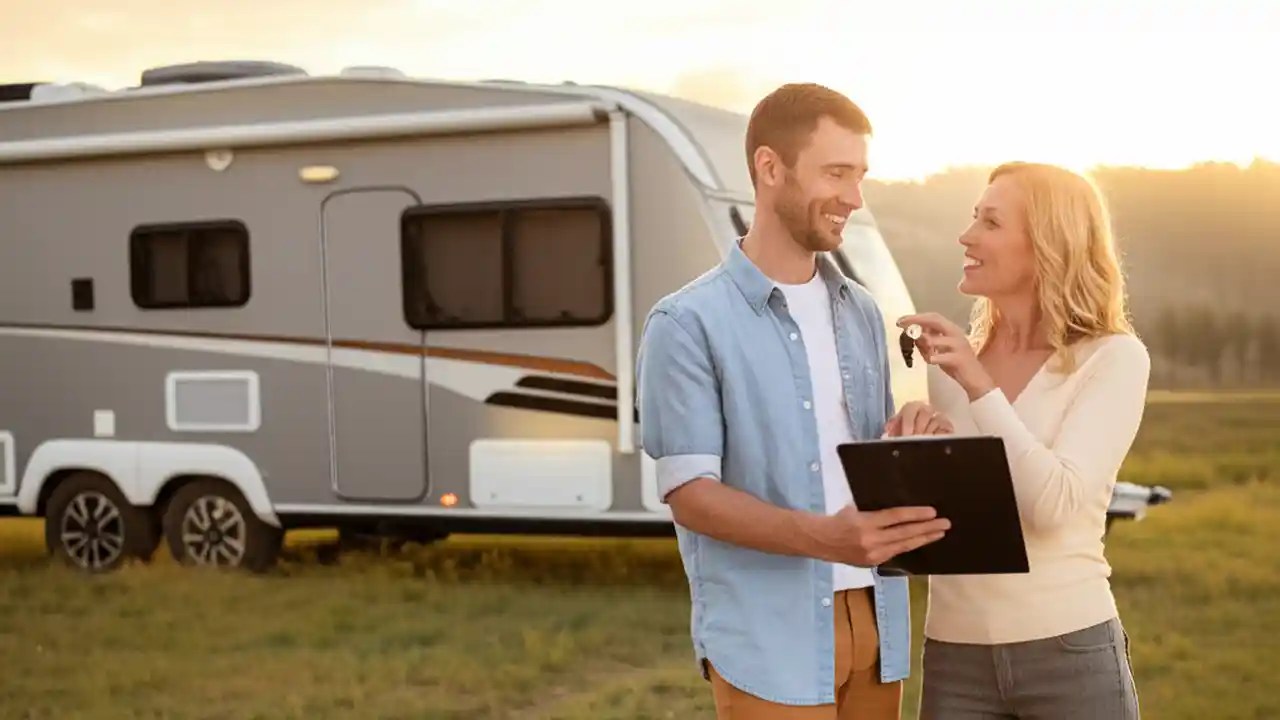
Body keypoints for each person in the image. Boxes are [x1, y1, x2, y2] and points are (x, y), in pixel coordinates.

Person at [635, 82, 953, 720]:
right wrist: (827, 539)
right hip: (768, 636)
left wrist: (909, 444)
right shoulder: (686, 322)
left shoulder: (861, 311)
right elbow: (691, 494)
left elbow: (855, 457)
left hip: (877, 621)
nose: (854, 199)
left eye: (860, 176)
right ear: (769, 168)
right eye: (835, 173)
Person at [890, 161, 1149, 719]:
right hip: (955, 656)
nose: (967, 236)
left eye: (990, 222)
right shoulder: (950, 369)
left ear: (1046, 245)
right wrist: (906, 453)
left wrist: (982, 391)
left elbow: (1053, 503)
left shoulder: (1112, 359)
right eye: (972, 218)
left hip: (1069, 652)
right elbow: (946, 521)